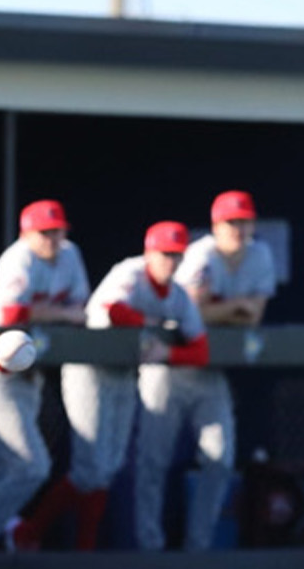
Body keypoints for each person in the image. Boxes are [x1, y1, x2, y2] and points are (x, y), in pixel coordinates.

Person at [19, 221, 207, 552]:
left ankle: (83, 551)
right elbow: (114, 310)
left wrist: (169, 351)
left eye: (178, 256)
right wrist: (150, 326)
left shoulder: (177, 295)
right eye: (165, 254)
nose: (171, 263)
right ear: (150, 252)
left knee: (110, 468)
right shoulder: (131, 273)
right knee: (89, 469)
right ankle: (30, 531)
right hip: (89, 370)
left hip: (122, 374)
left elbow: (201, 348)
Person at [133, 190, 277, 551]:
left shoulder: (260, 255)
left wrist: (218, 305)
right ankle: (148, 546)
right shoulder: (199, 255)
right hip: (168, 370)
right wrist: (234, 308)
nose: (239, 230)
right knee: (154, 460)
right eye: (231, 223)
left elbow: (255, 315)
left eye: (244, 222)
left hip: (210, 372)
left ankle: (198, 546)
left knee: (221, 459)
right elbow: (192, 314)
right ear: (216, 226)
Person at [0, 199, 89, 553]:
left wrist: (47, 312)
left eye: (56, 231)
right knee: (32, 465)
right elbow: (13, 313)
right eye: (43, 233)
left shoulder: (70, 255)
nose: (51, 239)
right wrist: (57, 313)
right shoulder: (17, 259)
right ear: (26, 233)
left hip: (30, 375)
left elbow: (82, 310)